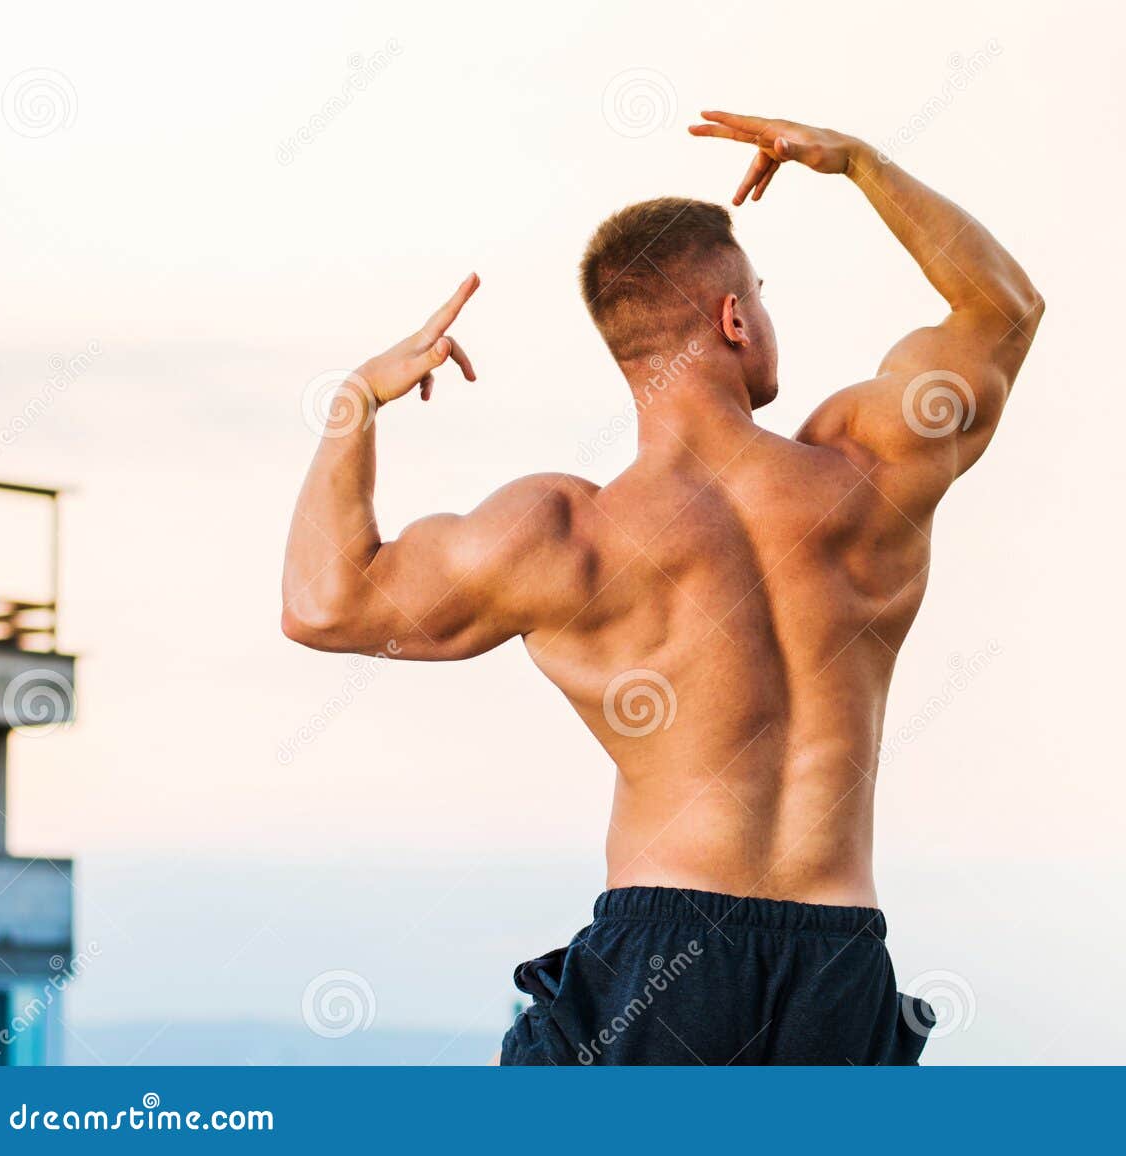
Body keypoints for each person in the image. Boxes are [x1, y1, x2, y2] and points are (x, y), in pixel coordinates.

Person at [281, 111, 1043, 1064]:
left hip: (660, 958)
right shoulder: (869, 472)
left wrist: (355, 400)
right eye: (759, 296)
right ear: (733, 317)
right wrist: (858, 164)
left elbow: (322, 603)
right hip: (840, 968)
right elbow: (1002, 310)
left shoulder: (563, 534)